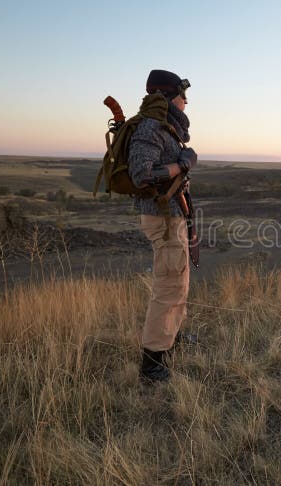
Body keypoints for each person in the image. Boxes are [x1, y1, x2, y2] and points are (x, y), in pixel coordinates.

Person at [128, 69, 198, 384]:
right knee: (168, 287)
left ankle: (170, 339)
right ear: (169, 97)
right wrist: (182, 163)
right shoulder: (152, 127)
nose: (186, 101)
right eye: (182, 95)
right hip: (163, 220)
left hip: (173, 217)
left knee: (178, 284)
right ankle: (152, 365)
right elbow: (141, 174)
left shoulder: (167, 128)